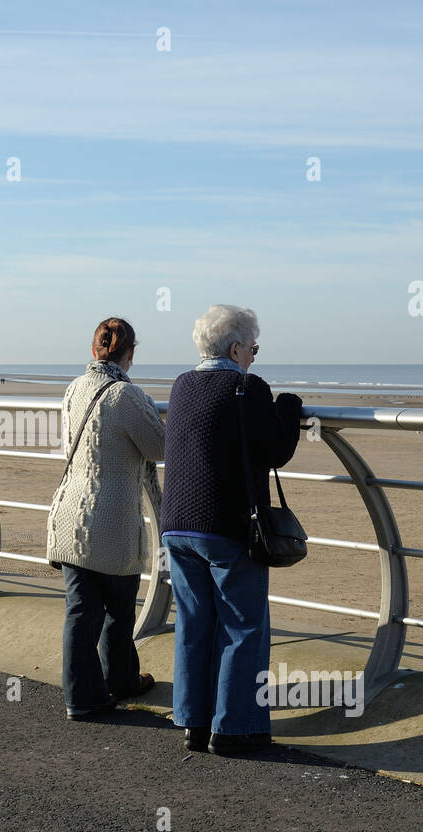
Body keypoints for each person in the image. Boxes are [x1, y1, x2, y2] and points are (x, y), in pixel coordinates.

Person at [159, 305, 303, 755]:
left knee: (194, 624)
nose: (254, 358)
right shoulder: (247, 386)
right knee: (243, 627)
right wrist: (290, 408)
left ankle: (193, 723)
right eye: (253, 349)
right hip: (226, 525)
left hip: (176, 524)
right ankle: (234, 728)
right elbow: (276, 449)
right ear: (236, 347)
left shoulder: (181, 385)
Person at [47, 317, 165, 720]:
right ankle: (108, 687)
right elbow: (159, 446)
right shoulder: (125, 396)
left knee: (82, 609)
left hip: (69, 514)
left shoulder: (74, 388)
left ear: (94, 349)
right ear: (129, 353)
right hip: (109, 520)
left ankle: (89, 692)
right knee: (117, 607)